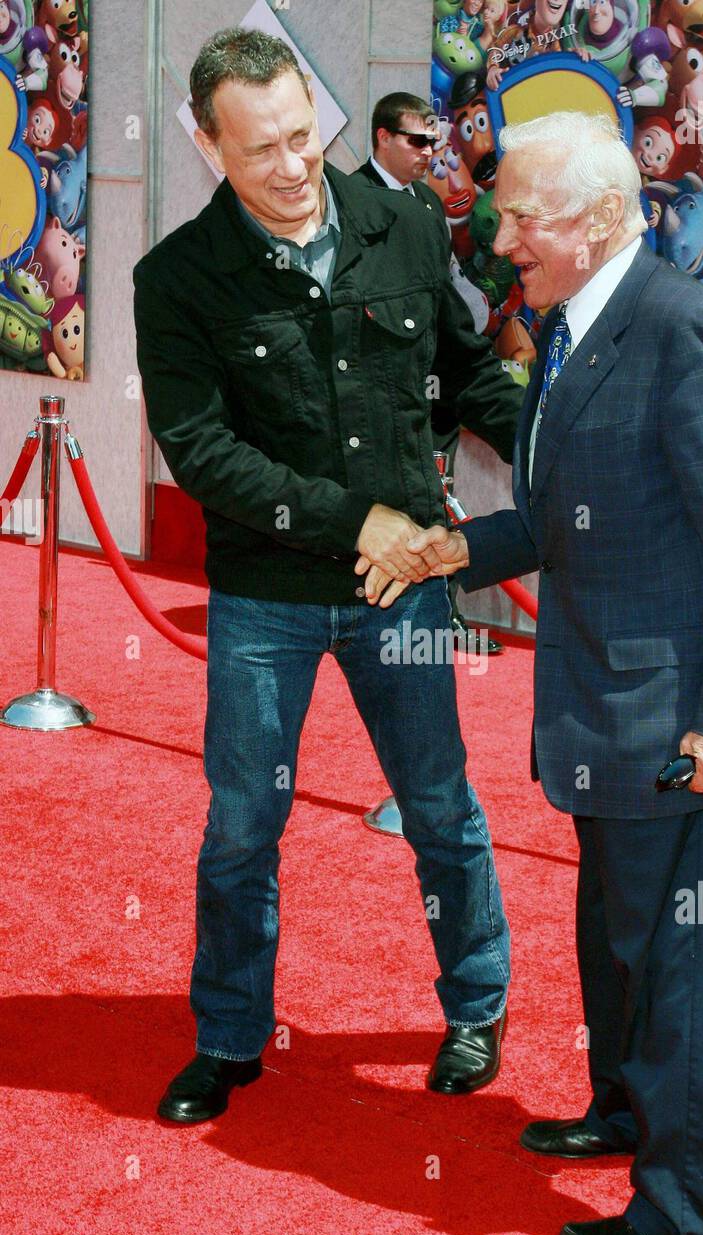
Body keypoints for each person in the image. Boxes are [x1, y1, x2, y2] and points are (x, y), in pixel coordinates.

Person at [403, 110, 703, 1235]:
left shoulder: (683, 331)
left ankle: (693, 1218)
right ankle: (624, 1114)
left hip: (680, 731)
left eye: (522, 215)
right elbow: (548, 516)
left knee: (676, 972)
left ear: (597, 220)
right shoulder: (576, 325)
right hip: (603, 718)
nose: (501, 236)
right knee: (614, 944)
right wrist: (449, 551)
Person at [132, 28, 522, 1124]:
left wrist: (564, 454)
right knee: (242, 825)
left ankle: (476, 1006)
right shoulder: (177, 280)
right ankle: (228, 1036)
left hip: (404, 596)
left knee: (441, 807)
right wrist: (365, 519)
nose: (294, 166)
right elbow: (203, 451)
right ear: (210, 146)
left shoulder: (403, 222)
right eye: (261, 150)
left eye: (303, 136)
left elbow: (467, 372)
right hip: (267, 598)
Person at [353, 91, 502, 656]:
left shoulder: (428, 204)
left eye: (435, 142)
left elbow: (449, 294)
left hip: (436, 386)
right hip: (376, 393)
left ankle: (442, 618)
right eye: (417, 141)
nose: (429, 153)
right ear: (383, 139)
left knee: (439, 498)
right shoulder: (347, 201)